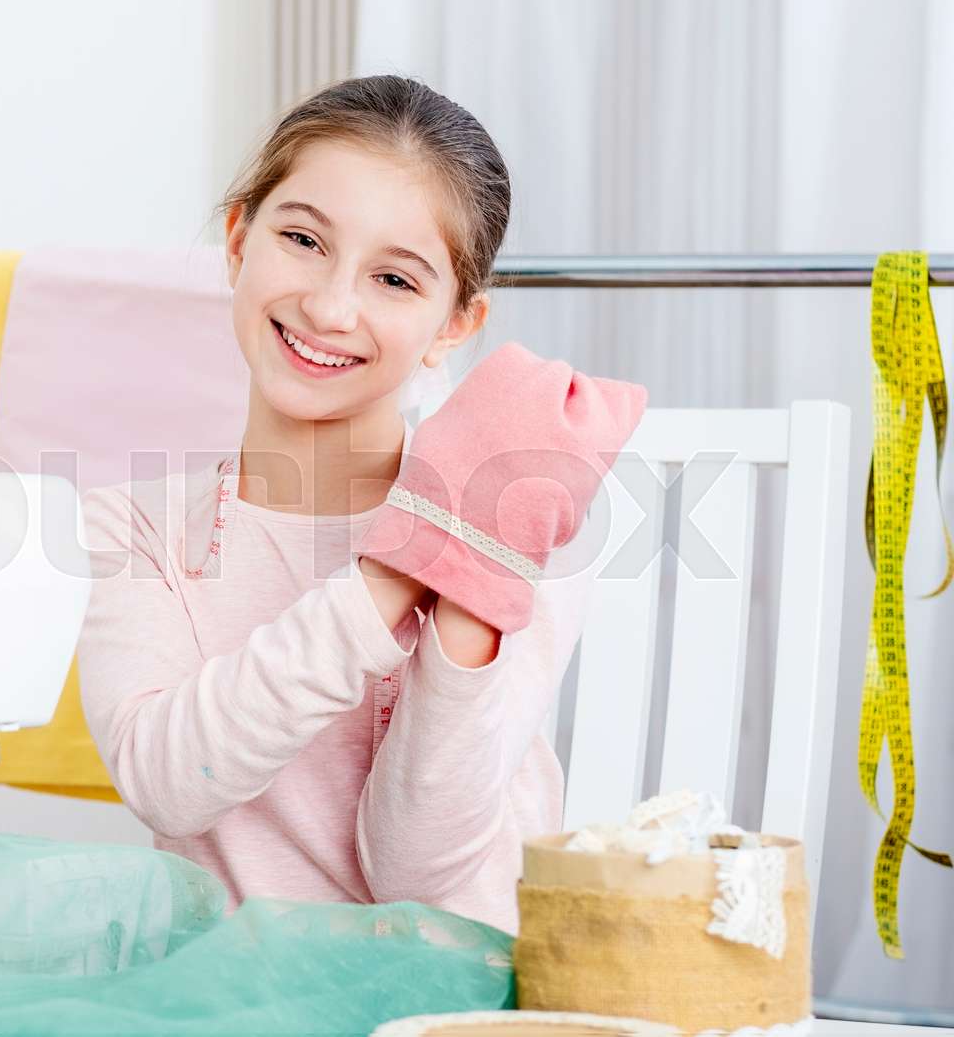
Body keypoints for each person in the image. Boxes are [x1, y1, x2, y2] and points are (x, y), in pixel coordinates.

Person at [76, 75, 646, 933]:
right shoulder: (133, 528)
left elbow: (414, 868)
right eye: (303, 239)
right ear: (238, 241)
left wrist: (469, 570)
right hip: (234, 989)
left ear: (454, 326)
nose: (330, 306)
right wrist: (403, 564)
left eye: (395, 280)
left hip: (456, 984)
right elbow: (165, 785)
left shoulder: (523, 526)